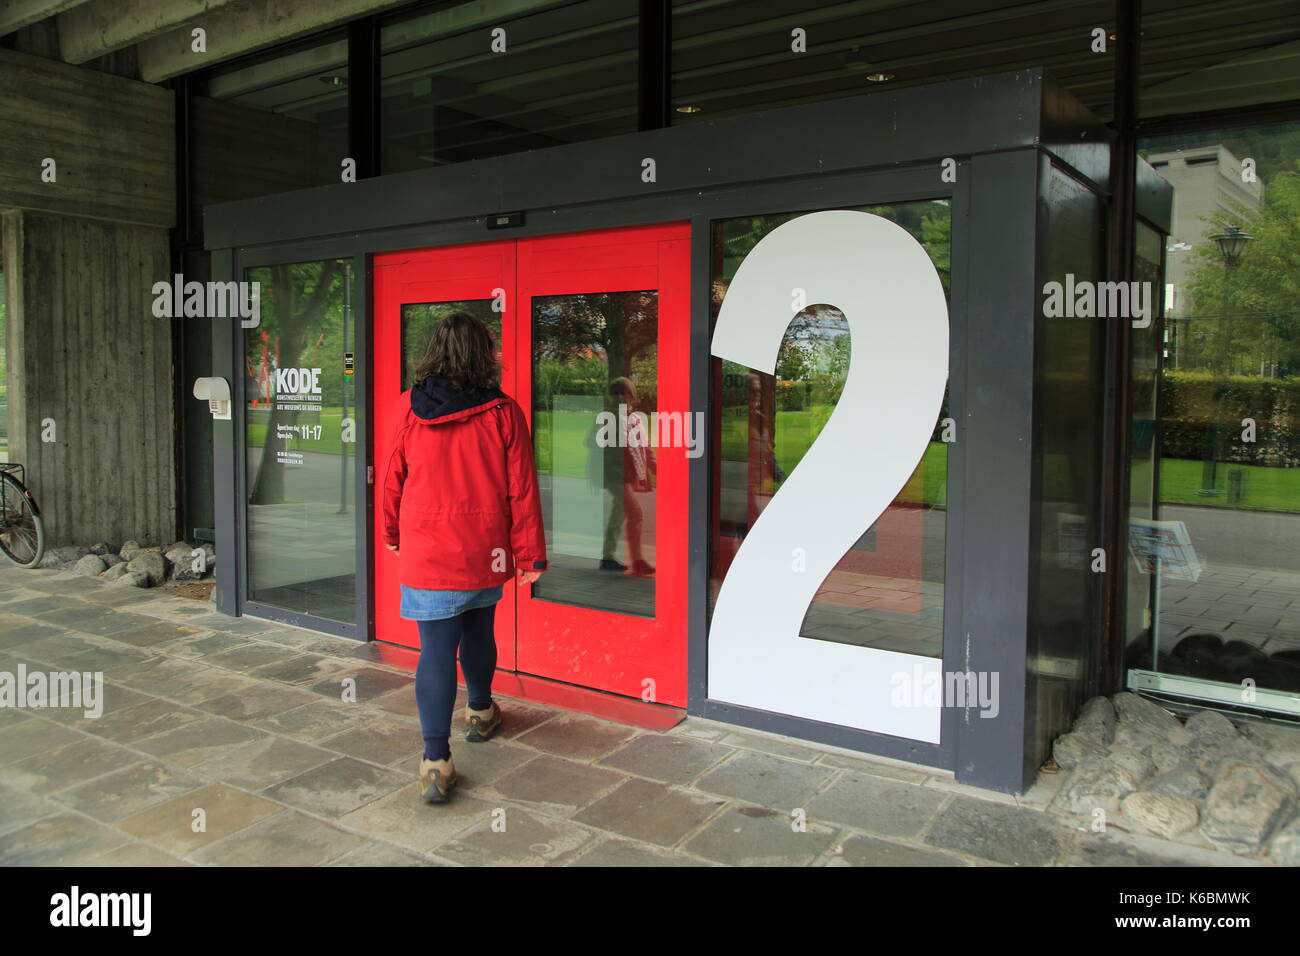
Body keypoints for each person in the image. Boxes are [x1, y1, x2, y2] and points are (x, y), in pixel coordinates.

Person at [380, 312, 547, 805]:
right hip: (483, 546)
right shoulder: (503, 411)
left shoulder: (407, 408)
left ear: (433, 351)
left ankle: (435, 760)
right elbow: (522, 488)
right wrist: (529, 555)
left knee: (435, 650)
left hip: (427, 548)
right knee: (479, 629)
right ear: (484, 353)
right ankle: (479, 711)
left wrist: (389, 531)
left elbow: (392, 475)